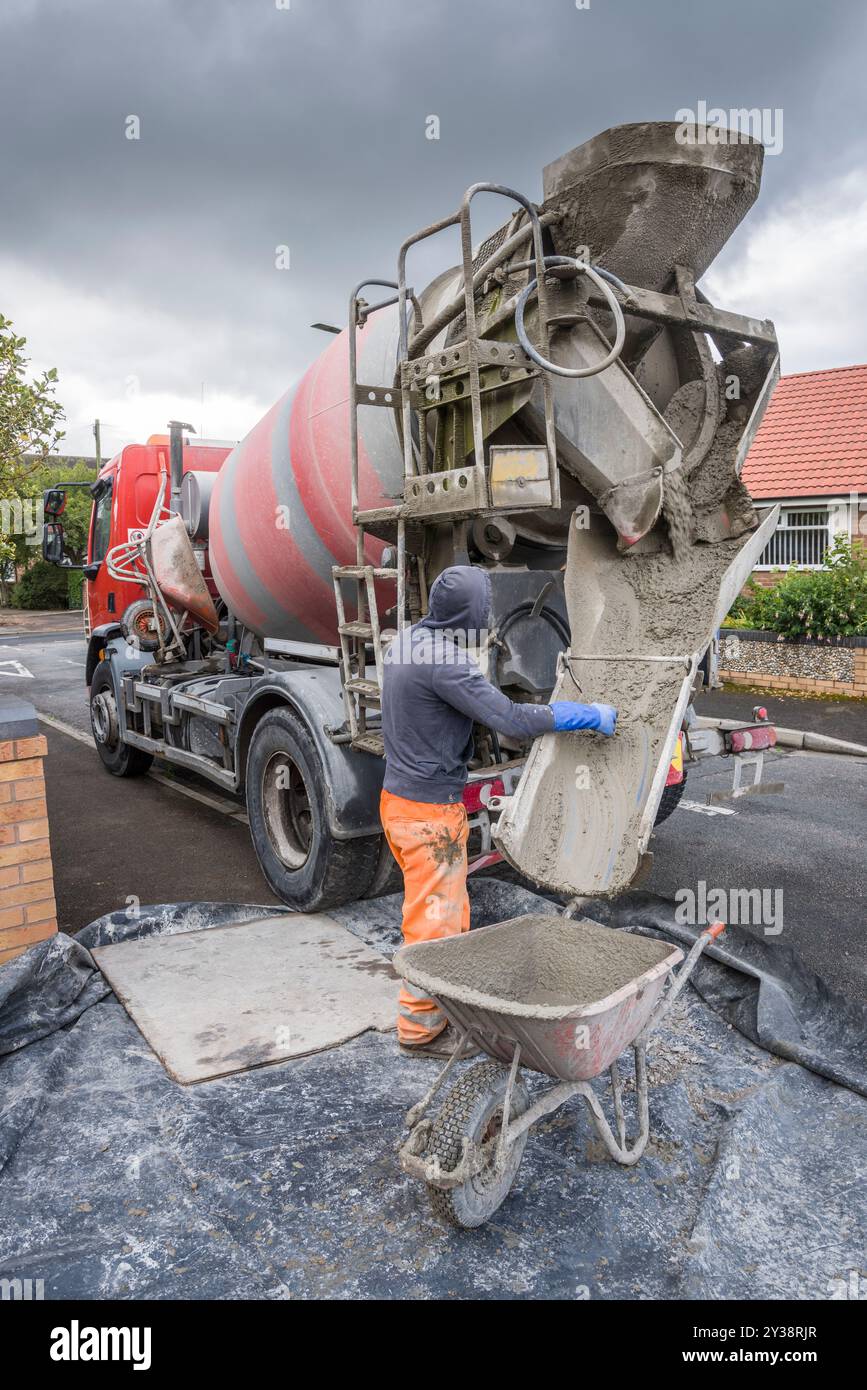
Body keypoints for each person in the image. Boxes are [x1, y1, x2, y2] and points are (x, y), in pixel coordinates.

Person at [380, 564, 617, 1057]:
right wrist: (588, 714)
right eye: (483, 608)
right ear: (471, 612)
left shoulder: (407, 642)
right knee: (434, 924)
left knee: (448, 914)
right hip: (428, 818)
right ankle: (419, 1032)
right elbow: (512, 719)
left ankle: (445, 1010)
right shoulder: (444, 662)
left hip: (400, 801)